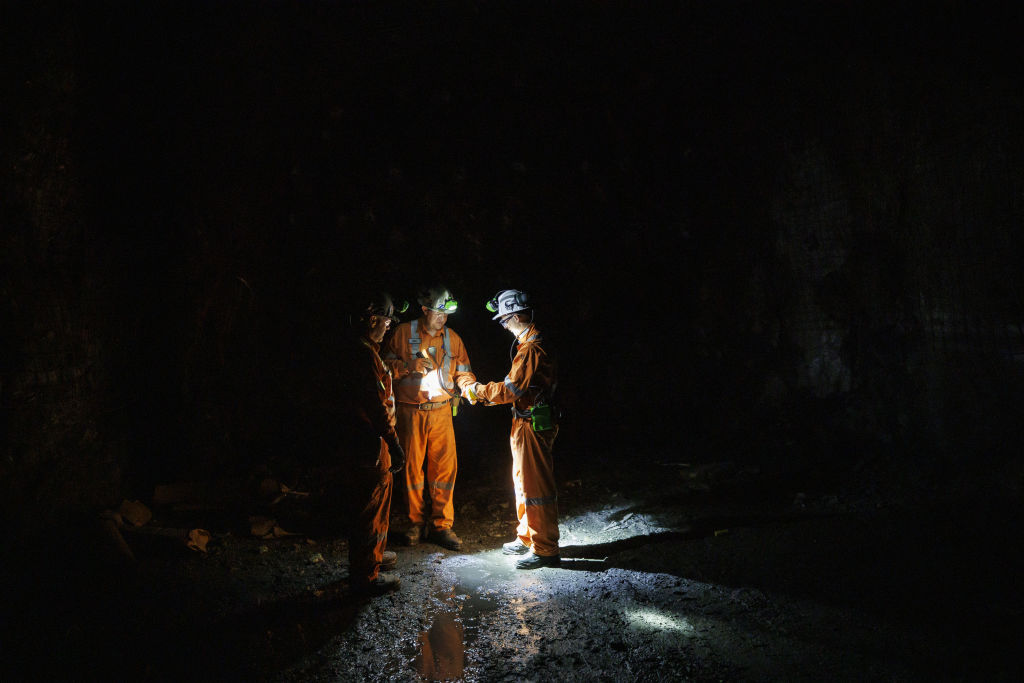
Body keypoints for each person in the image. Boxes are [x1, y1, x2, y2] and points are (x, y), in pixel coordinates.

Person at [468, 289, 560, 569]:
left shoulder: (532, 349)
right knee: (521, 481)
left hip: (533, 422)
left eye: (505, 319)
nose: (504, 325)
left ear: (518, 316)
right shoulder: (528, 343)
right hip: (524, 420)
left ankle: (545, 549)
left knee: (535, 485)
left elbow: (511, 388)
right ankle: (528, 537)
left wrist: (479, 392)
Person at [383, 285, 477, 550]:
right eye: (438, 313)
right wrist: (406, 366)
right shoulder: (402, 334)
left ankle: (441, 526)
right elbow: (382, 366)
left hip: (442, 412)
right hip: (410, 412)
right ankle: (415, 523)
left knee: (444, 470)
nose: (442, 318)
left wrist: (469, 385)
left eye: (446, 314)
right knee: (412, 469)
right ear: (424, 310)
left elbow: (464, 371)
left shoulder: (454, 339)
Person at [339, 292, 407, 593]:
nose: (389, 327)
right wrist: (394, 443)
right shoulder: (364, 355)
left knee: (373, 505)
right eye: (387, 321)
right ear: (372, 319)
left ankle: (373, 558)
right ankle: (366, 576)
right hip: (369, 443)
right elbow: (375, 406)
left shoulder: (364, 351)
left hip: (364, 440)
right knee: (370, 506)